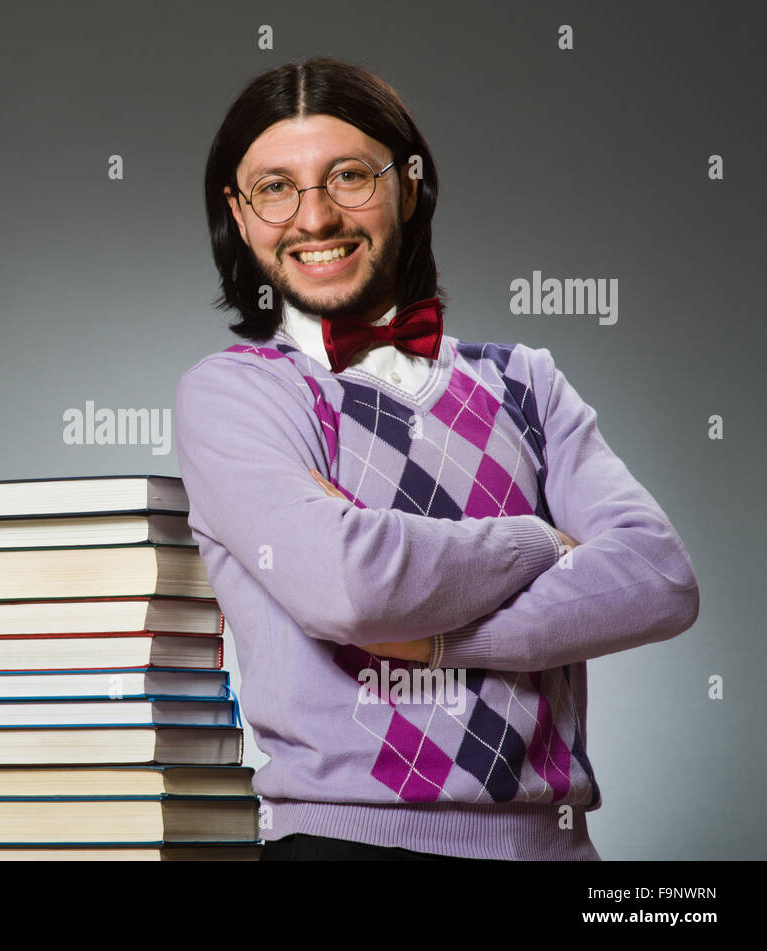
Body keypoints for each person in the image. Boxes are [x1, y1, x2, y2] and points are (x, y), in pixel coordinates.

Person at [174, 57, 700, 861]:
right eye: (276, 187)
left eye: (348, 175)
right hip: (344, 846)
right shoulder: (237, 394)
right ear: (240, 217)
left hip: (560, 848)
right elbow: (351, 587)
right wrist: (535, 540)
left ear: (408, 186)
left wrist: (432, 639)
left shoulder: (527, 380)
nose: (314, 217)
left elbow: (658, 579)